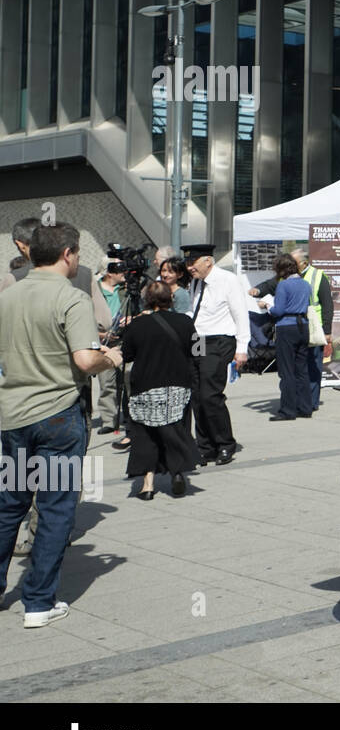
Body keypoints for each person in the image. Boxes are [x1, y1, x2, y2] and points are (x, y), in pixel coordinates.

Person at [0, 221, 123, 627]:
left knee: (9, 505)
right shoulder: (71, 298)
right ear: (69, 254)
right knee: (54, 509)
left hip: (12, 415)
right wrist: (112, 358)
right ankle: (38, 603)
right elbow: (85, 361)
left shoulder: (8, 294)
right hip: (57, 413)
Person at [121, 280, 200, 499]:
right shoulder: (185, 321)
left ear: (147, 300)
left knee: (146, 434)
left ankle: (147, 485)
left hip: (145, 386)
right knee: (176, 428)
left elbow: (126, 355)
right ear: (171, 298)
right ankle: (177, 472)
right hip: (178, 385)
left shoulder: (136, 325)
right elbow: (198, 350)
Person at [183, 244, 249, 466]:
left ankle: (224, 444)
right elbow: (196, 311)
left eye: (193, 262)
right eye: (187, 263)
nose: (189, 267)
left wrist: (242, 347)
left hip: (219, 340)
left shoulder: (227, 280)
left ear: (208, 261)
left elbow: (240, 314)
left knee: (210, 394)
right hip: (197, 340)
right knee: (197, 395)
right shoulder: (195, 282)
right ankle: (206, 447)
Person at [266, 254, 313, 421]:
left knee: (287, 371)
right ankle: (305, 407)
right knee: (302, 369)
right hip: (303, 326)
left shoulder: (283, 285)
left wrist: (267, 306)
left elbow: (278, 310)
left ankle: (288, 410)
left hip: (287, 327)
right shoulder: (306, 284)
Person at [291, 248, 333, 412]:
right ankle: (299, 400)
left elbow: (328, 304)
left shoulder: (318, 276)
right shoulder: (289, 276)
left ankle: (312, 401)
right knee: (297, 366)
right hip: (294, 327)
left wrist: (327, 330)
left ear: (303, 262)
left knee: (313, 365)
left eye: (293, 262)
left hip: (314, 327)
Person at [92, 261, 127, 436]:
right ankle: (108, 420)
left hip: (124, 338)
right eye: (120, 270)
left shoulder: (125, 289)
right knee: (107, 382)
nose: (124, 273)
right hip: (104, 341)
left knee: (126, 380)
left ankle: (128, 416)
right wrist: (101, 335)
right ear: (109, 273)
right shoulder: (94, 290)